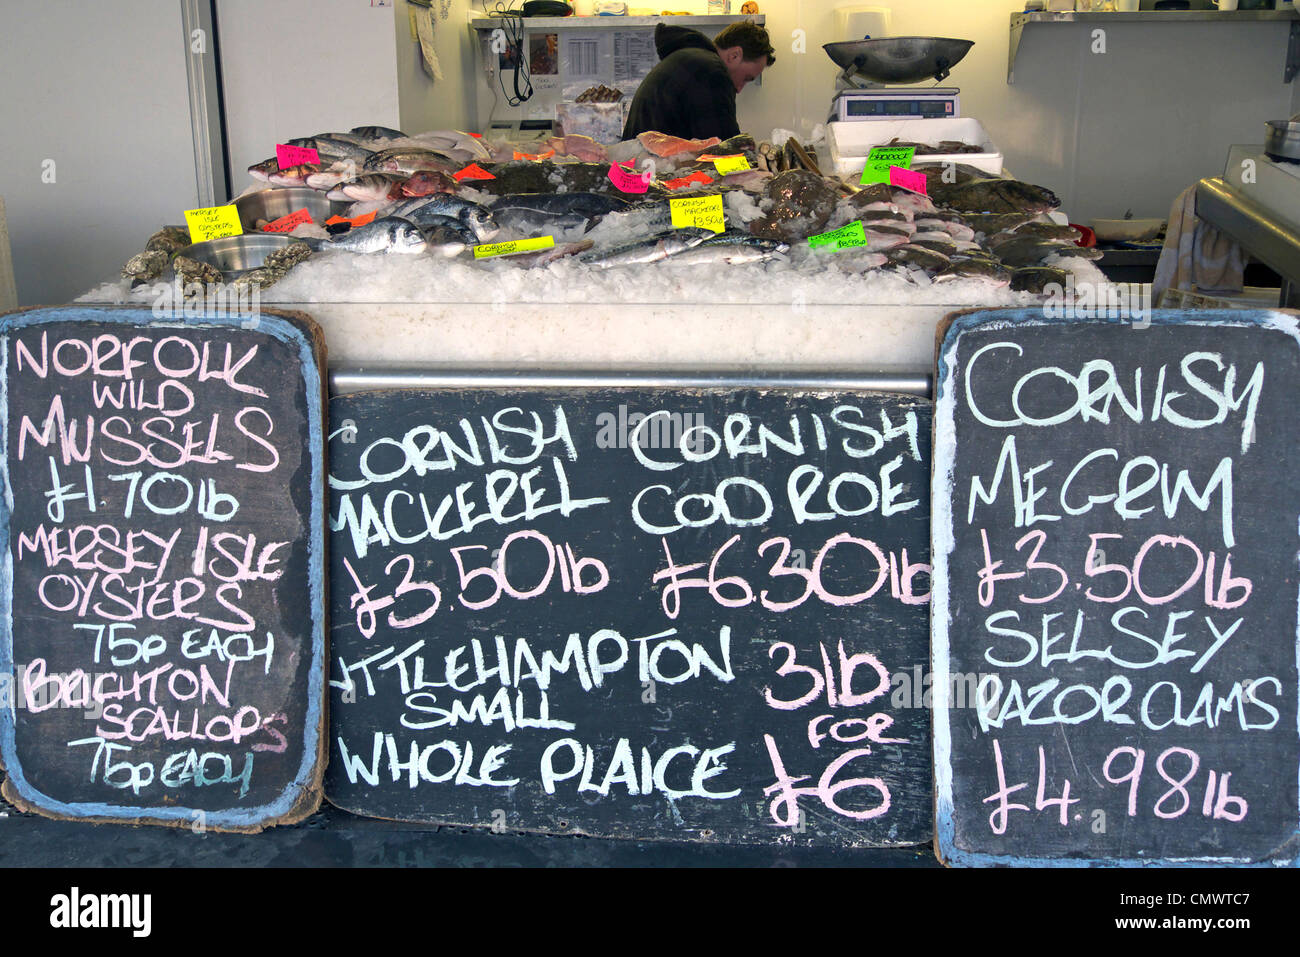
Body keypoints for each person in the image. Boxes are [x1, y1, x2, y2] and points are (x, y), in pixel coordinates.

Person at [621, 21, 774, 142]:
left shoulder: (690, 59)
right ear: (734, 55)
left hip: (640, 172)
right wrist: (750, 175)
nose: (740, 89)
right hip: (650, 174)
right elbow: (723, 149)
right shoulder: (711, 71)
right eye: (746, 78)